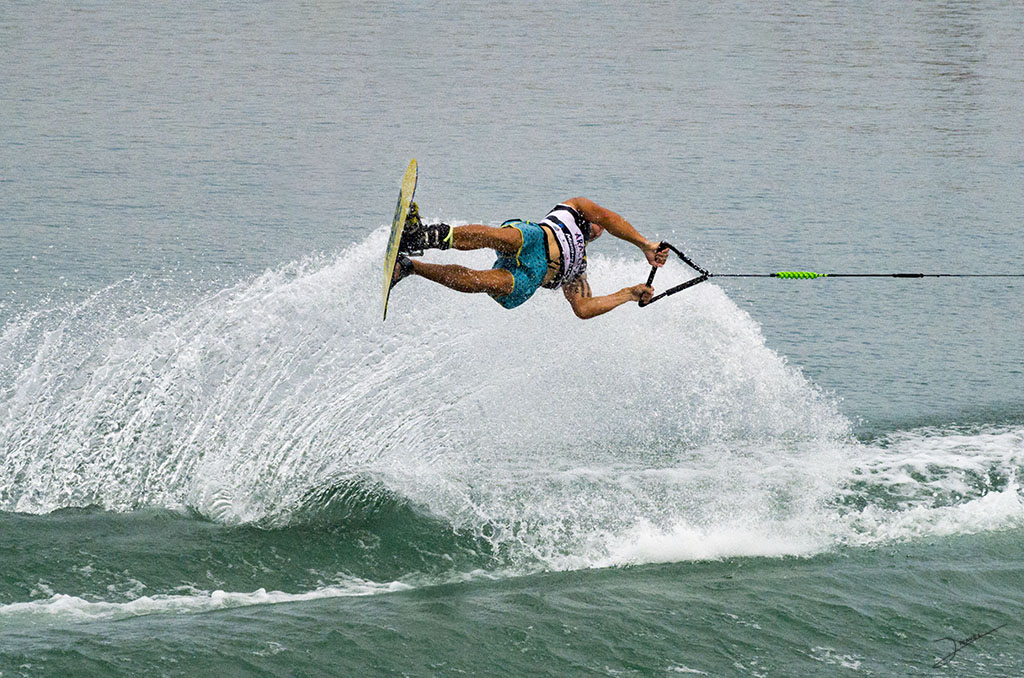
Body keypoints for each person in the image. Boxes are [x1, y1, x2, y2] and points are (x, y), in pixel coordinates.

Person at [391, 198, 668, 319]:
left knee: (488, 281)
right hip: (535, 238)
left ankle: (410, 266)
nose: (602, 228)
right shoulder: (573, 209)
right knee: (513, 236)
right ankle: (423, 237)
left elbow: (583, 309)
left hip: (530, 277)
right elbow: (609, 218)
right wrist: (644, 244)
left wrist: (628, 294)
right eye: (600, 223)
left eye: (604, 231)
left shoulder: (578, 267)